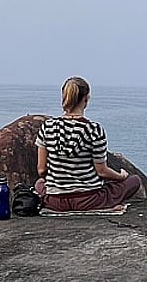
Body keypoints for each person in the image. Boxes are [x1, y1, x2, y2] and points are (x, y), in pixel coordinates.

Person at [34, 76, 141, 212]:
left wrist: (60, 183)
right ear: (86, 99)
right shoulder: (94, 129)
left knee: (39, 184)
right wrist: (121, 176)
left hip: (55, 201)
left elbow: (41, 170)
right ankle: (105, 206)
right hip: (89, 200)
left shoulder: (47, 127)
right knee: (134, 181)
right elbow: (102, 171)